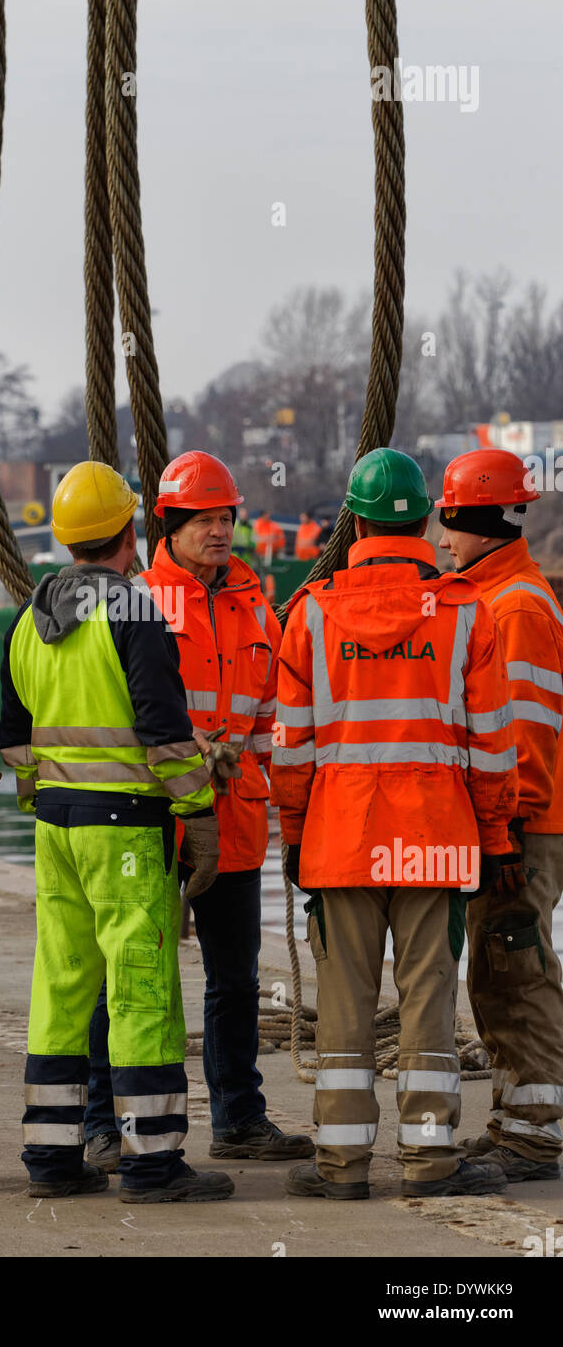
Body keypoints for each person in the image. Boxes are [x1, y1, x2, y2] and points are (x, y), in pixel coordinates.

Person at [271, 447, 517, 1200]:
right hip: (436, 841)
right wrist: (495, 835)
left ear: (355, 522)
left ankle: (341, 1167)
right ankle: (430, 1161)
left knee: (343, 1003)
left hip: (340, 842)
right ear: (425, 518)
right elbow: (495, 748)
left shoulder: (310, 614)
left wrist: (294, 831)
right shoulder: (464, 613)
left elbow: (289, 747)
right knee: (428, 998)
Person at [0, 460, 234, 1204]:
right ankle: (153, 1164)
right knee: (142, 991)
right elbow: (165, 739)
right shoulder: (134, 613)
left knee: (61, 986)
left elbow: (16, 744)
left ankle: (52, 1160)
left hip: (56, 833)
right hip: (126, 832)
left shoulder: (28, 617)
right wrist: (197, 815)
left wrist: (48, 799)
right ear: (131, 535)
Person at [84, 451, 314, 1171]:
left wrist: (291, 813)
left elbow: (274, 718)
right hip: (154, 816)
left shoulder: (254, 605)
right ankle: (100, 1121)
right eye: (204, 521)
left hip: (236, 814)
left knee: (236, 979)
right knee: (124, 975)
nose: (219, 532)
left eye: (226, 519)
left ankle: (239, 1117)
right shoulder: (137, 599)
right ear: (170, 526)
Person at [436, 448, 563, 1182]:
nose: (442, 540)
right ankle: (519, 1121)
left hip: (523, 827)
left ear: (481, 519)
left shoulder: (512, 606)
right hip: (518, 820)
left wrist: (506, 830)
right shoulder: (498, 593)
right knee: (501, 966)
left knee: (515, 968)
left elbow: (526, 733)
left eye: (450, 523)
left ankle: (535, 1134)